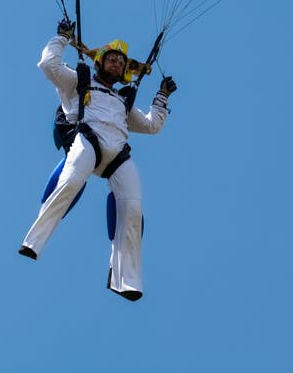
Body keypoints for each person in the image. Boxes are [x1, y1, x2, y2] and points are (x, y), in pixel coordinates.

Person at [18, 19, 177, 301]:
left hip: (118, 156)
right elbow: (48, 65)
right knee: (72, 181)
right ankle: (34, 242)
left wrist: (161, 97)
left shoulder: (122, 101)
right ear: (100, 62)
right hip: (87, 141)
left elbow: (152, 125)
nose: (116, 64)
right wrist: (62, 38)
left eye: (120, 61)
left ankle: (125, 280)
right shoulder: (78, 81)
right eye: (112, 59)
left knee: (133, 209)